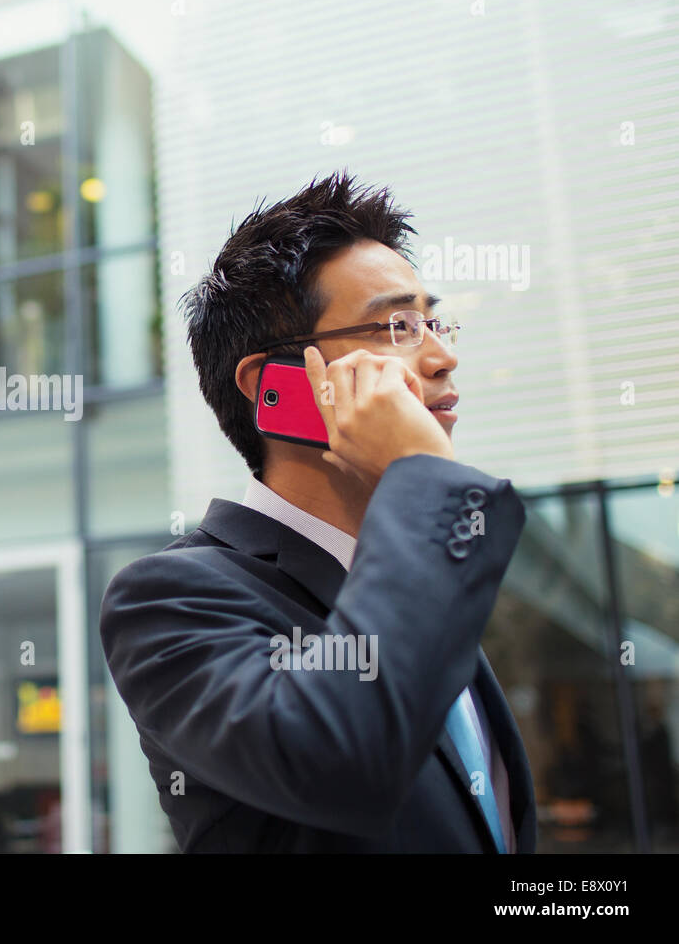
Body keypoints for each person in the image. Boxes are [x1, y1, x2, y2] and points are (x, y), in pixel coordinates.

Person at [100, 172, 535, 852]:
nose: (443, 356)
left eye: (434, 322)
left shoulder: (413, 577)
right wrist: (422, 479)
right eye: (398, 326)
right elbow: (343, 759)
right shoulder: (168, 599)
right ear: (277, 386)